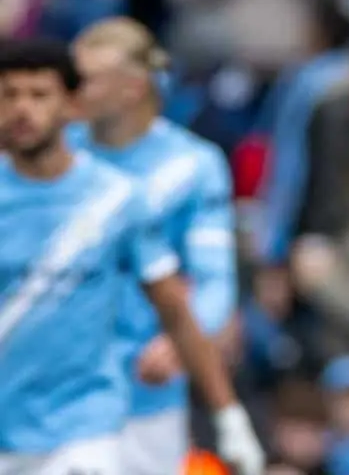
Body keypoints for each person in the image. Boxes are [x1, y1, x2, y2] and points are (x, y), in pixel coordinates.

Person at [0, 38, 264, 475]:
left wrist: (228, 414)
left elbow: (181, 305)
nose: (23, 109)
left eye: (39, 95)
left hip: (91, 421)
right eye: (9, 95)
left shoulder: (121, 196)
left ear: (70, 103)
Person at [68, 18, 238, 475]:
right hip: (57, 392)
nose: (71, 90)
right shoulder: (56, 155)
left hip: (145, 395)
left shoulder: (193, 166)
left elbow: (215, 279)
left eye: (86, 80)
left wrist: (180, 341)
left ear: (133, 88)